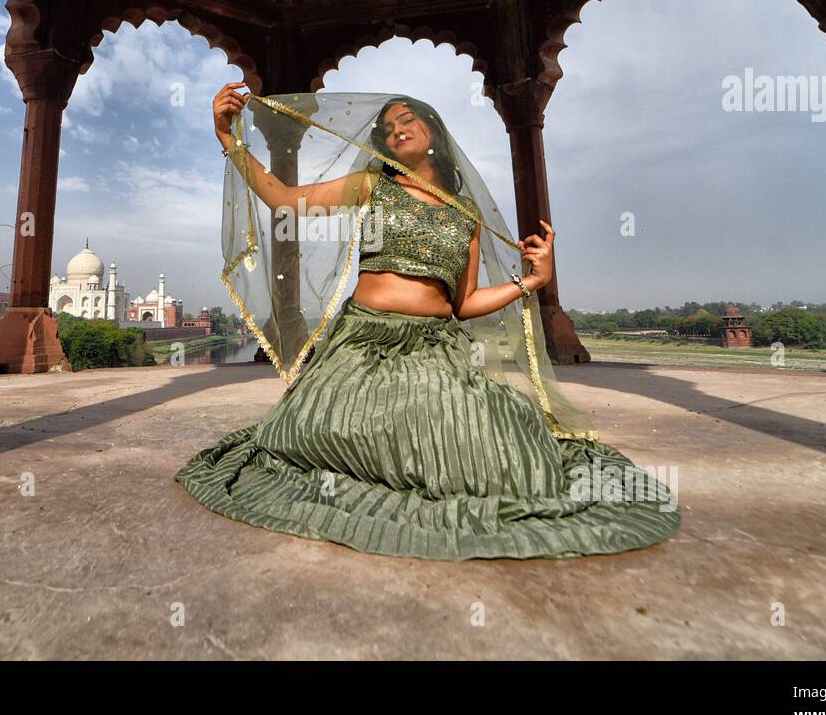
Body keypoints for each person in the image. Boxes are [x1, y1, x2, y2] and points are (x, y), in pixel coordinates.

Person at [174, 84, 681, 560]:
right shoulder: (371, 186)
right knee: (322, 436)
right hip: (364, 344)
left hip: (435, 346)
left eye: (406, 120)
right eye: (387, 128)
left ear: (433, 132)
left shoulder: (464, 216)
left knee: (493, 452)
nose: (395, 130)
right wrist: (229, 140)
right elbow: (285, 200)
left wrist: (532, 281)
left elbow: (464, 302)